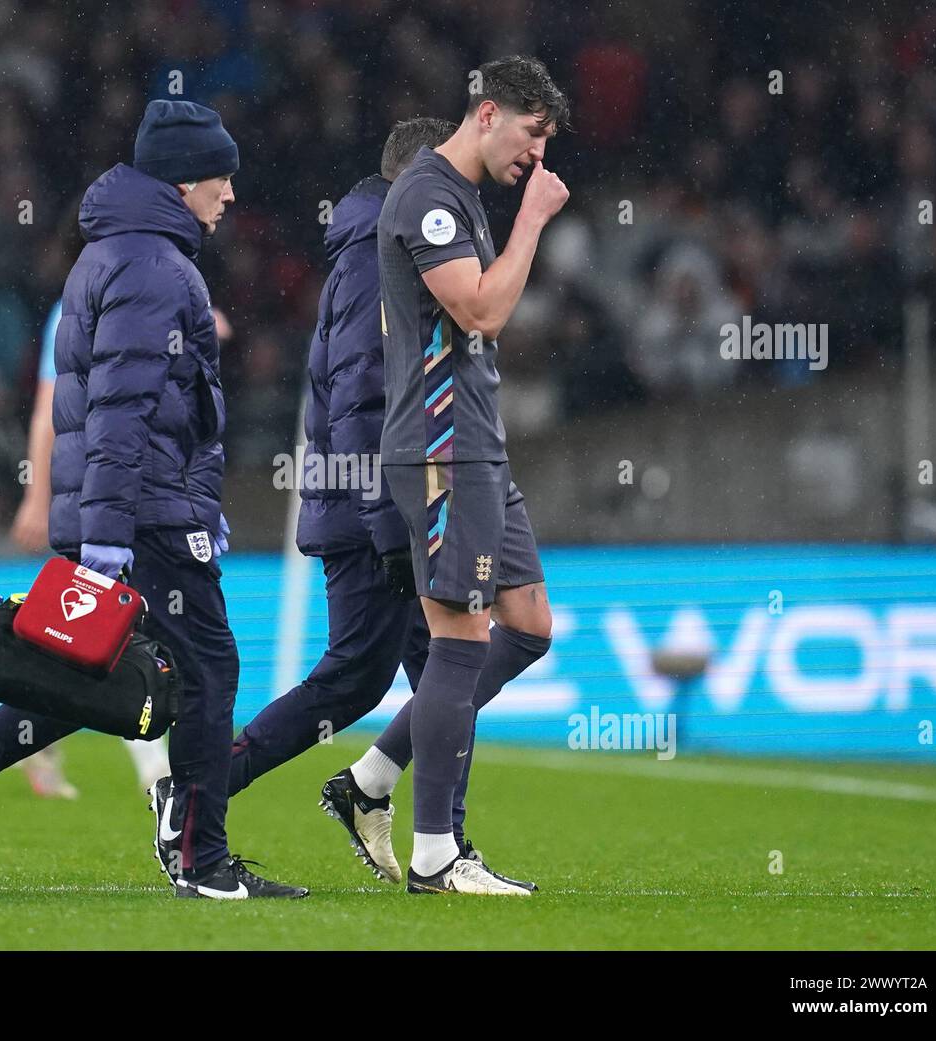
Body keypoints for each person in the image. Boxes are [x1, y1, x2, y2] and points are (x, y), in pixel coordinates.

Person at [0, 99, 307, 900]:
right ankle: (202, 860)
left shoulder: (113, 252)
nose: (231, 194)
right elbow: (119, 413)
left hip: (125, 509)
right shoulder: (154, 267)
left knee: (80, 683)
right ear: (183, 181)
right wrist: (112, 541)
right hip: (143, 515)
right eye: (221, 177)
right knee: (209, 670)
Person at [202, 119, 453, 886]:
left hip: (385, 502)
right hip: (374, 509)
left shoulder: (381, 247)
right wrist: (387, 521)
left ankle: (440, 843)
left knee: (445, 665)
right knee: (361, 677)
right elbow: (358, 399)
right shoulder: (379, 256)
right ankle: (201, 792)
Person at [357, 55, 571, 895]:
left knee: (529, 624)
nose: (537, 156)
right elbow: (481, 308)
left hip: (478, 444)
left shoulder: (463, 197)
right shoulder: (427, 196)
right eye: (532, 134)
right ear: (487, 113)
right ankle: (436, 855)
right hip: (443, 448)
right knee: (459, 638)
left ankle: (372, 777)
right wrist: (534, 222)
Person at [9, 279, 170, 800]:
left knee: (96, 628)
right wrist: (36, 496)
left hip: (137, 486)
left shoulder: (153, 289)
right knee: (113, 621)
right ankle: (154, 767)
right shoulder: (73, 311)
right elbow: (48, 409)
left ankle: (27, 724)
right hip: (95, 491)